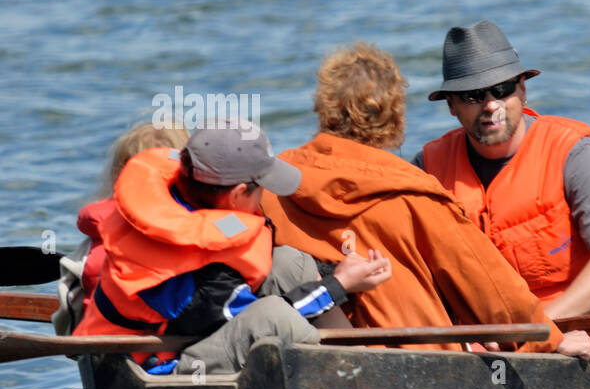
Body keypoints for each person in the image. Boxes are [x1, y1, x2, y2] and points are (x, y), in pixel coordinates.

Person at [261, 42, 590, 358]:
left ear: (323, 108)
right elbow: (491, 289)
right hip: (416, 362)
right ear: (395, 117)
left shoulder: (273, 186)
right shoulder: (417, 195)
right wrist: (551, 339)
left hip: (313, 350)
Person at [73, 121, 392, 374]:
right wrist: (340, 285)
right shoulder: (204, 270)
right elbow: (263, 315)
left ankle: (357, 366)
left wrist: (336, 273)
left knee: (288, 262)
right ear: (236, 195)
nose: (266, 197)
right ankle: (351, 385)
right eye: (261, 189)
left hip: (194, 330)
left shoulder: (190, 205)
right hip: (154, 368)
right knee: (274, 318)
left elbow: (249, 286)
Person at [416, 21, 590, 326]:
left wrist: (537, 329)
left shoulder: (572, 151)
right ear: (452, 105)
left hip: (585, 323)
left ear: (522, 90)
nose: (491, 105)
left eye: (502, 89)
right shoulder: (428, 167)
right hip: (482, 336)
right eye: (473, 96)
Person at [54, 120, 191, 334]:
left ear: (119, 177)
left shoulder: (95, 239)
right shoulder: (201, 232)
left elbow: (69, 312)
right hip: (179, 348)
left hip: (107, 346)